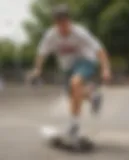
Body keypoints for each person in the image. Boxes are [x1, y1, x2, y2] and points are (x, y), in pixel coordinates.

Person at [27, 4, 111, 144]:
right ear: (55, 23)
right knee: (73, 94)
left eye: (65, 22)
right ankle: (92, 96)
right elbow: (41, 53)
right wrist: (37, 70)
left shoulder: (80, 32)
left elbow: (99, 50)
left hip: (86, 61)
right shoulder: (51, 35)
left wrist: (105, 69)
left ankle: (74, 126)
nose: (63, 27)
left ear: (69, 20)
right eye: (60, 23)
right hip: (67, 68)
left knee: (75, 83)